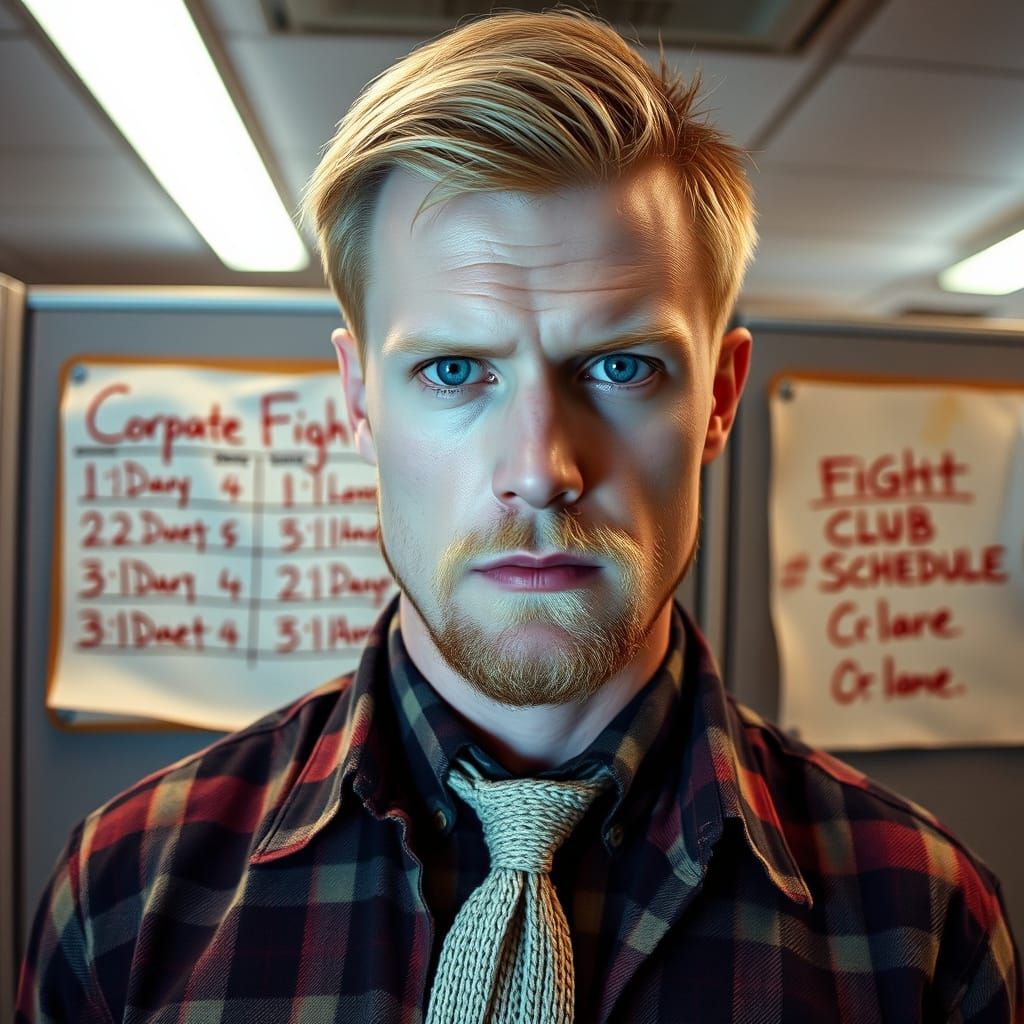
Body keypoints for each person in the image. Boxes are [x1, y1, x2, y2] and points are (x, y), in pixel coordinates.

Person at [17, 10, 1020, 1023]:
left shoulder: (921, 922)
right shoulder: (127, 896)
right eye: (455, 369)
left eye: (621, 366)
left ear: (718, 397)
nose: (541, 471)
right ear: (359, 400)